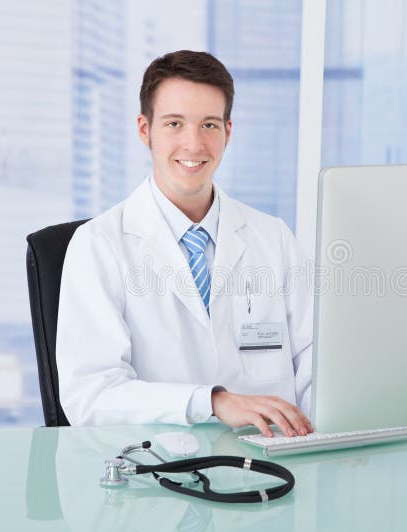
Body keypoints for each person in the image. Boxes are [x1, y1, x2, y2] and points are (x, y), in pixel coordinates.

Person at [56, 50, 313, 438]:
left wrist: (325, 438)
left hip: (273, 467)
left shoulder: (272, 237)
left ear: (228, 131)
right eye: (174, 123)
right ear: (145, 130)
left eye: (209, 124)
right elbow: (91, 395)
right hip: (155, 473)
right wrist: (211, 401)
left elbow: (314, 364)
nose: (194, 144)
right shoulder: (98, 245)